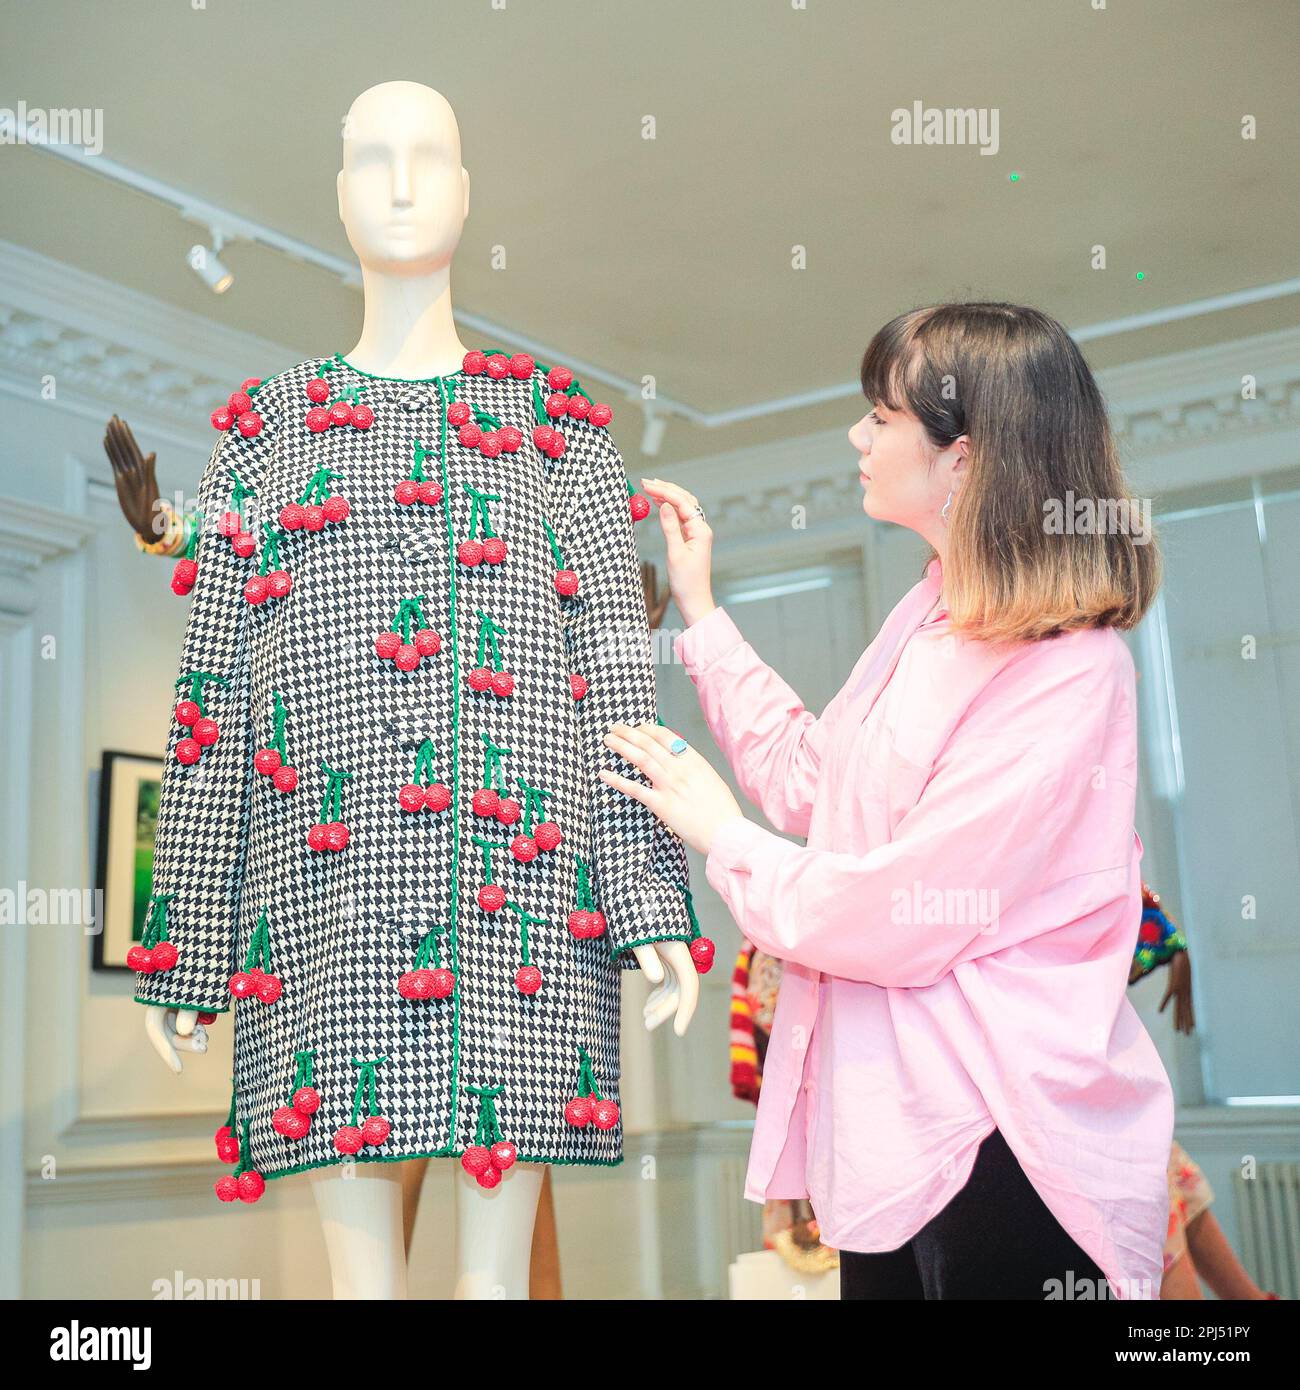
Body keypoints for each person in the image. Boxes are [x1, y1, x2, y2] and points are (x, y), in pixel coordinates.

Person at [598, 301, 1175, 1299]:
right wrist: (699, 605)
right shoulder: (930, 616)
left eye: (880, 415)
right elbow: (817, 784)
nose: (856, 436)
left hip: (999, 1143)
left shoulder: (1072, 671)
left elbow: (900, 913)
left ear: (963, 459)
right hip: (885, 1147)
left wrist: (721, 834)